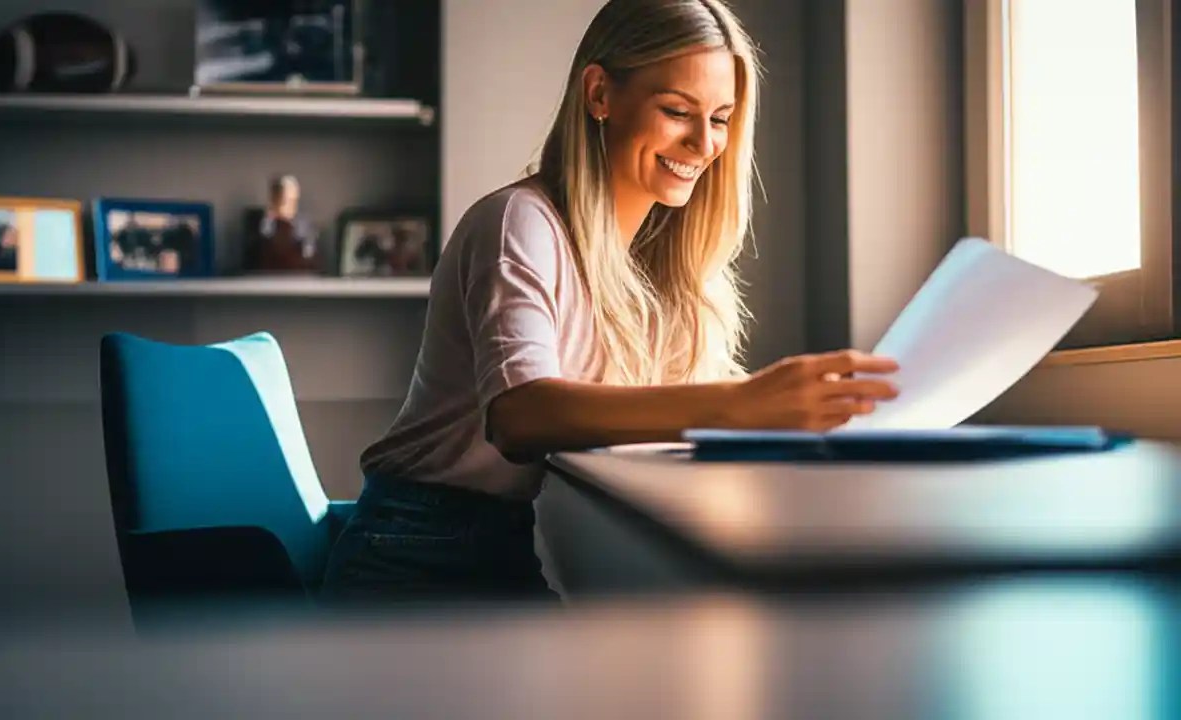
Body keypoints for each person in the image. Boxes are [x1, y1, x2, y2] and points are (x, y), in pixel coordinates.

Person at [319, 0, 900, 605]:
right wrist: (745, 404)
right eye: (677, 111)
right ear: (599, 93)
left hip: (501, 546)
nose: (704, 144)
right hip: (409, 554)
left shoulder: (653, 265)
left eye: (722, 119)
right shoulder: (520, 223)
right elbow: (519, 415)